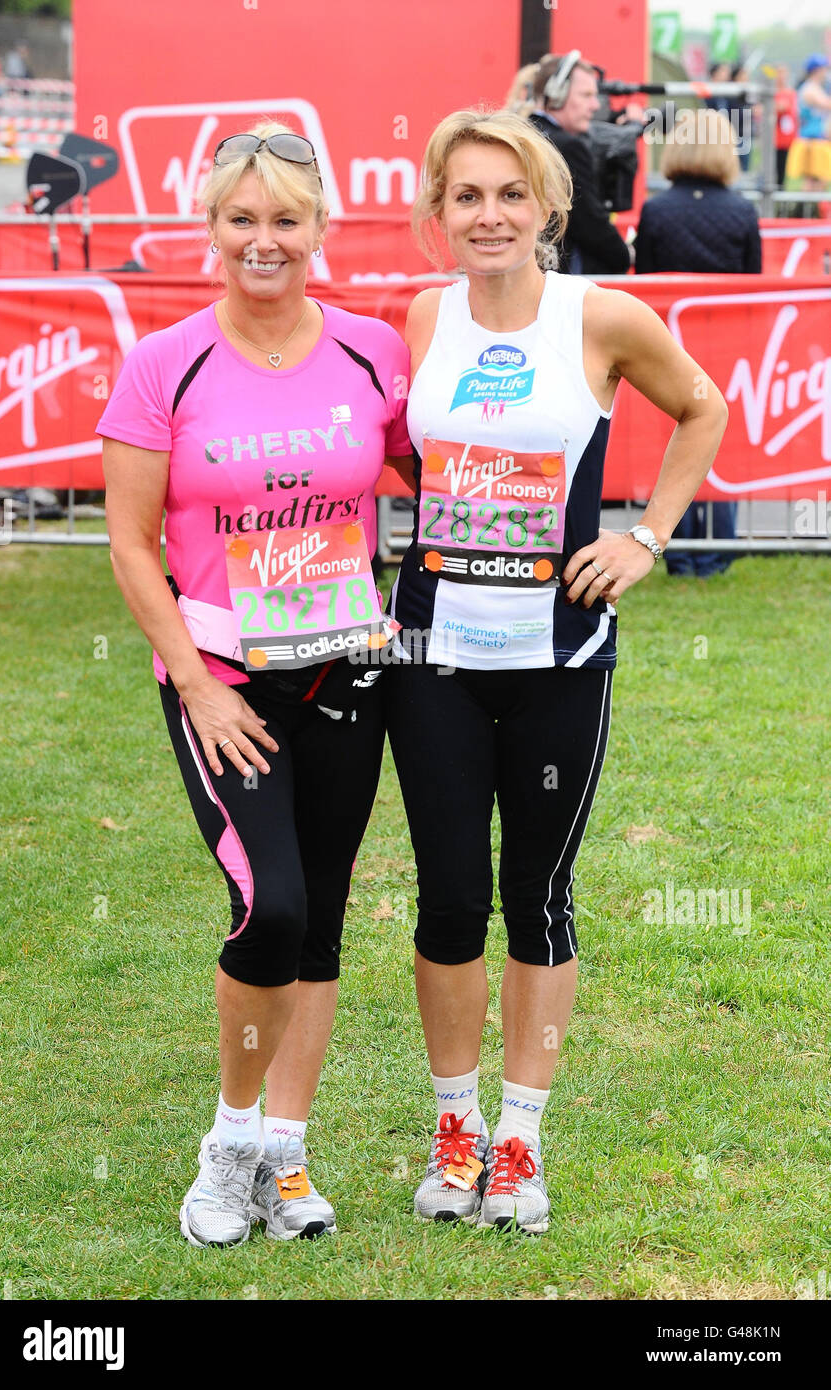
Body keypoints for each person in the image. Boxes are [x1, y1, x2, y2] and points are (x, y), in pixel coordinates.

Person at [385, 108, 727, 1233]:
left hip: (559, 657)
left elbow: (702, 406)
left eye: (508, 194)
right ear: (438, 212)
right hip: (431, 653)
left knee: (537, 895)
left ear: (547, 206)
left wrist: (648, 535)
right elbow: (398, 453)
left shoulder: (604, 314)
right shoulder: (421, 314)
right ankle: (454, 1125)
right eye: (465, 195)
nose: (487, 215)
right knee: (446, 900)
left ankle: (521, 1141)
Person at [98, 123, 411, 1247]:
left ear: (322, 228)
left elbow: (442, 471)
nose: (264, 239)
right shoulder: (162, 361)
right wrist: (197, 685)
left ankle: (287, 1154)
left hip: (344, 672)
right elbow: (132, 544)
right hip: (223, 678)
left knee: (318, 920)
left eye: (287, 218)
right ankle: (229, 1145)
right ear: (211, 228)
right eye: (243, 218)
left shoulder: (377, 351)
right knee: (266, 904)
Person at [635, 108, 759, 575]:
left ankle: (677, 547)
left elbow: (643, 282)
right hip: (724, 343)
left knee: (674, 438)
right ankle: (718, 551)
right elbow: (753, 284)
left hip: (667, 345)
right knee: (718, 439)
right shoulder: (743, 210)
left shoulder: (657, 209)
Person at [527, 53, 632, 275]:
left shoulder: (521, 133)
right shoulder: (568, 146)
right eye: (586, 95)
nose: (595, 105)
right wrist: (624, 255)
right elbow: (590, 223)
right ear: (556, 94)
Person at [786, 55, 831, 206]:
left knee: (819, 180)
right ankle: (806, 212)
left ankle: (811, 212)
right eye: (824, 68)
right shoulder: (809, 89)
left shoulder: (817, 87)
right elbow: (826, 104)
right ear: (816, 70)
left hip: (818, 140)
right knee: (813, 180)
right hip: (811, 140)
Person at [772, 64, 799, 189]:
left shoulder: (790, 93)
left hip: (787, 138)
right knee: (773, 169)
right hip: (774, 138)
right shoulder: (771, 92)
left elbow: (787, 108)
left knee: (784, 169)